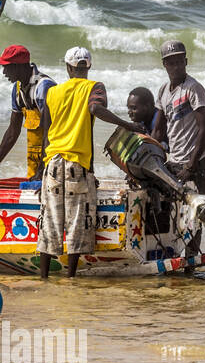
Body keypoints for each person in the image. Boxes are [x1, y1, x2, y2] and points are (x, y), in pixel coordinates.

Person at [37, 46, 143, 279]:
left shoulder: (52, 92)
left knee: (51, 221)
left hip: (53, 163)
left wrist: (40, 171)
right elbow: (95, 108)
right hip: (76, 164)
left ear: (68, 67)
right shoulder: (94, 87)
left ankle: (44, 277)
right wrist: (129, 125)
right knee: (77, 222)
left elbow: (46, 131)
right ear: (88, 67)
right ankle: (71, 277)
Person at [0, 44, 54, 183]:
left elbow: (51, 131)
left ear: (18, 66)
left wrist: (42, 170)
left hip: (53, 160)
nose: (4, 72)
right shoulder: (17, 89)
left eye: (6, 66)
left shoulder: (43, 87)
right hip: (36, 162)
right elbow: (12, 132)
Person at [153, 41, 205, 193]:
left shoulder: (193, 88)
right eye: (171, 63)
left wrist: (191, 165)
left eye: (180, 62)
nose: (176, 67)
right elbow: (159, 130)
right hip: (174, 161)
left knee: (197, 212)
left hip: (195, 164)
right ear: (164, 64)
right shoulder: (163, 90)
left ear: (186, 62)